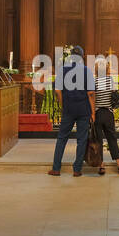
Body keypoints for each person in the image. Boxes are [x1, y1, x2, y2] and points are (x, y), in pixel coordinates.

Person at [47, 45, 95, 177]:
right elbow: (90, 93)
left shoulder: (63, 70)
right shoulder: (87, 71)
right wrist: (93, 113)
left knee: (62, 138)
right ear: (82, 57)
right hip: (83, 108)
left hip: (68, 108)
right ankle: (77, 169)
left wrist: (63, 104)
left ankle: (56, 168)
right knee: (82, 139)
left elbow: (57, 90)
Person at [93, 53, 119, 175]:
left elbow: (92, 97)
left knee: (99, 140)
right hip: (108, 113)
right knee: (112, 139)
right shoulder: (110, 80)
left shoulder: (94, 81)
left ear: (96, 69)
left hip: (97, 113)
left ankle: (101, 166)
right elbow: (115, 96)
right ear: (107, 69)